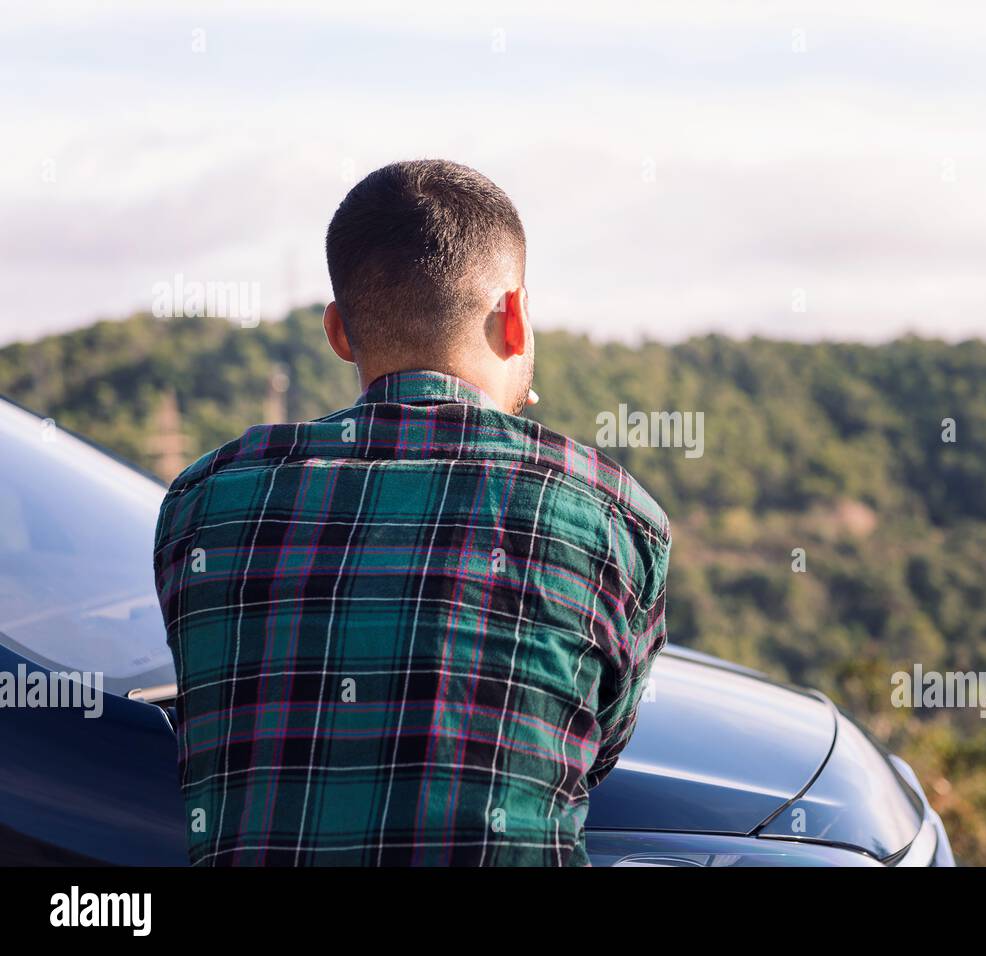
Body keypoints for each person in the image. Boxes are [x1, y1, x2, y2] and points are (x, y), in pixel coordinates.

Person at [153, 159, 671, 866]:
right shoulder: (614, 516)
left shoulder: (201, 504)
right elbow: (591, 753)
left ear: (338, 332)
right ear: (515, 317)